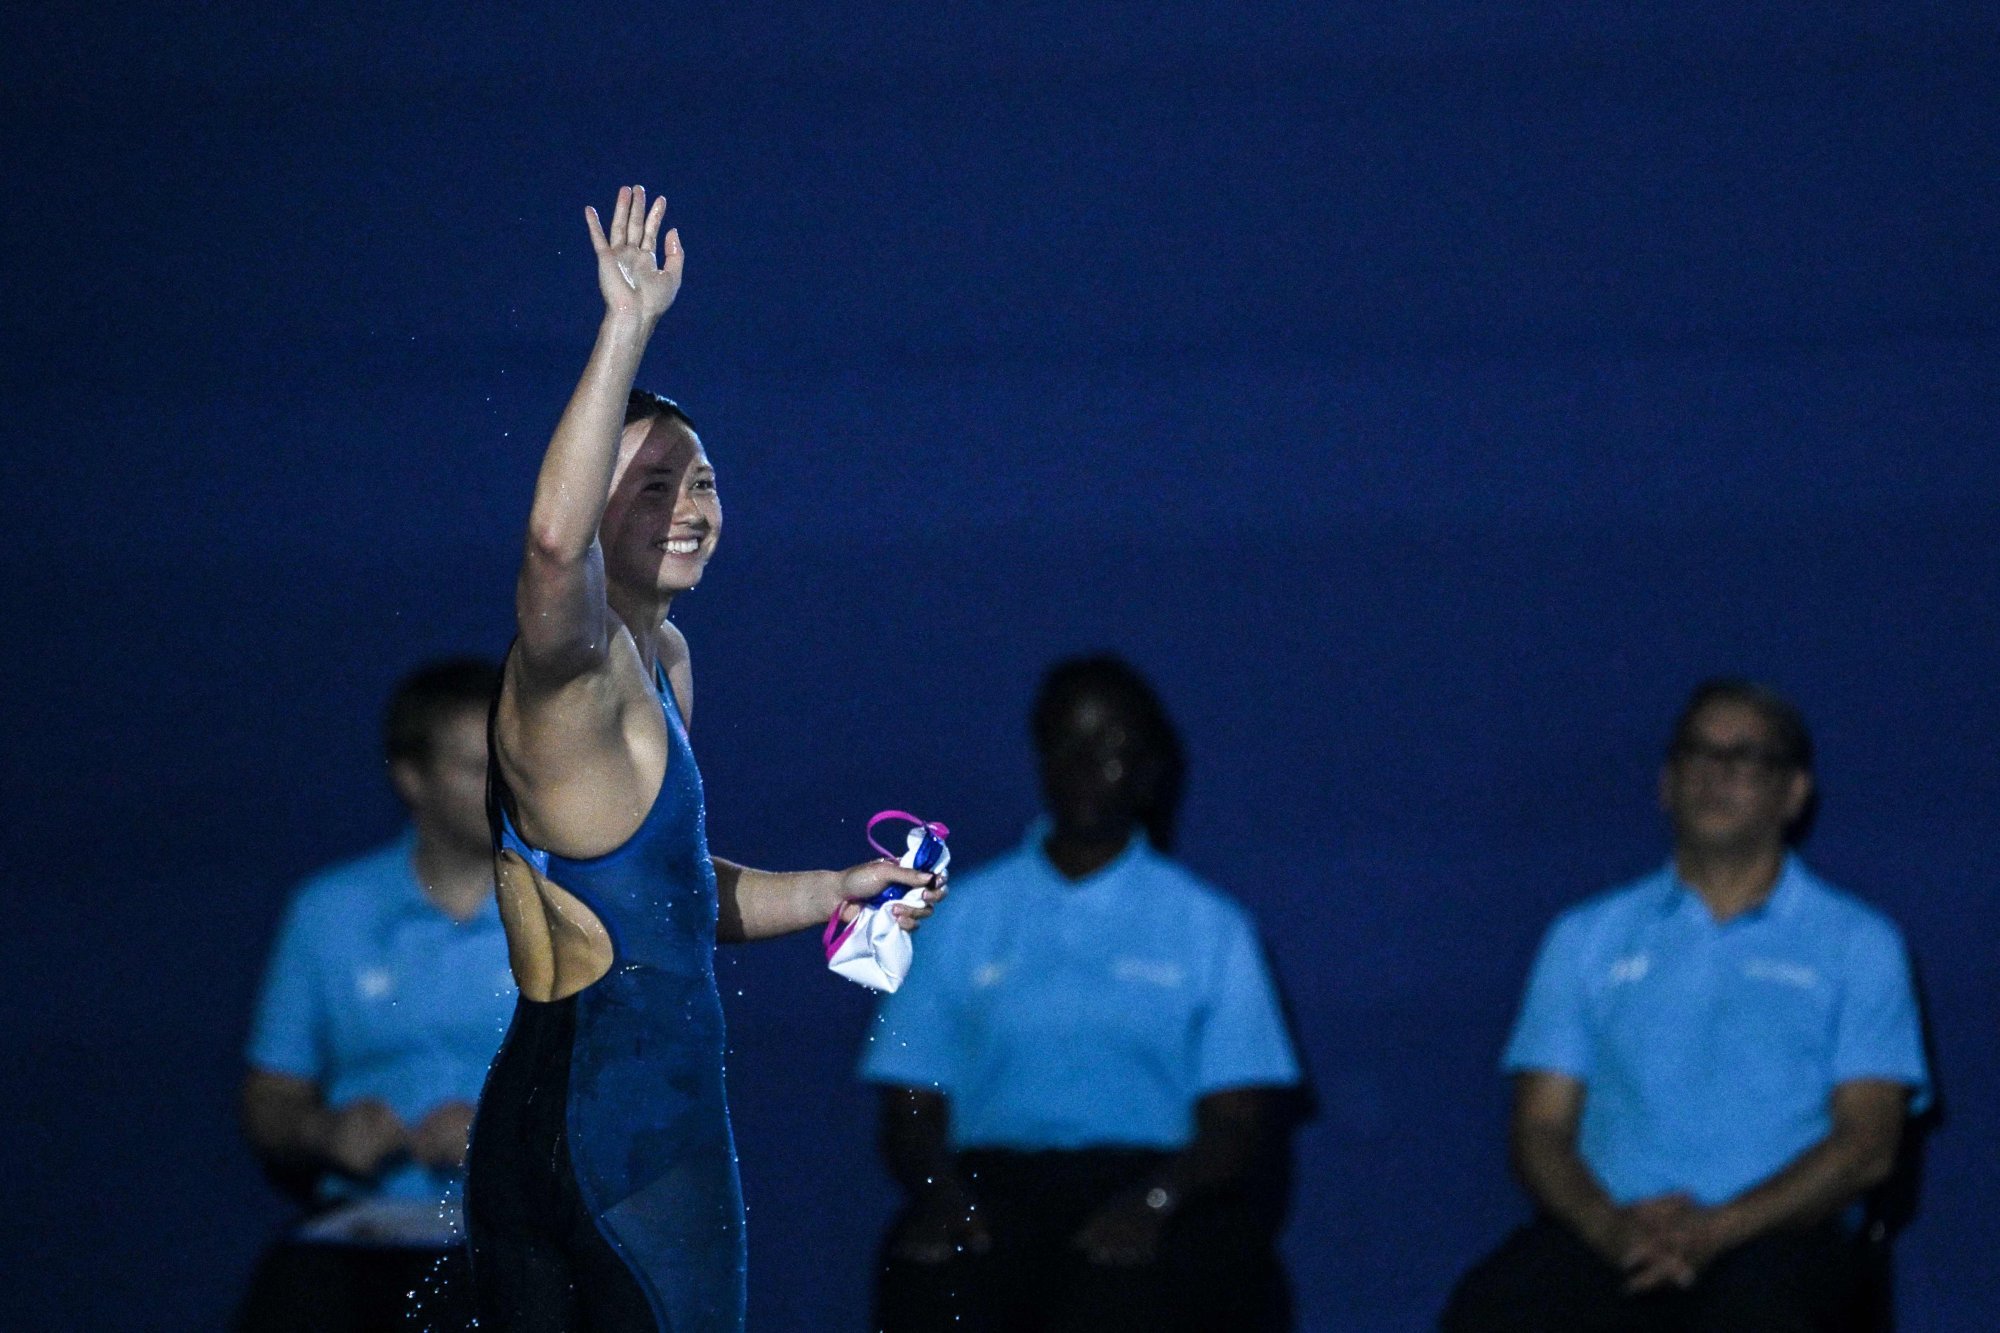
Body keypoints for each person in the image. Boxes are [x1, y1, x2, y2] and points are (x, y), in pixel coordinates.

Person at [463, 185, 945, 1333]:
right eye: (650, 487)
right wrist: (624, 327)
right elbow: (547, 541)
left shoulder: (661, 658)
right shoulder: (568, 667)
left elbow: (667, 899)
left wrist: (830, 893)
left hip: (578, 1120)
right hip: (623, 1143)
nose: (686, 508)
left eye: (702, 481)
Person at [1440, 679, 1932, 1333]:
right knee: (1488, 1309)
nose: (1717, 774)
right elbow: (1539, 1129)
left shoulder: (1860, 943)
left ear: (1794, 793)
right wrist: (1614, 1230)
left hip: (1776, 1240)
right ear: (1665, 783)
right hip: (1609, 1237)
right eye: (1698, 754)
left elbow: (1867, 1144)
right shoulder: (1585, 936)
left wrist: (1718, 1229)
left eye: (1747, 756)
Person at [861, 654, 1305, 1333]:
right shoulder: (960, 916)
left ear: (1151, 771)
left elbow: (1237, 1120)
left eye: (1113, 748)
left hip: (1160, 1184)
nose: (1086, 764)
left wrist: (1155, 1203)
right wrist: (942, 1196)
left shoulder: (1209, 925)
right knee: (930, 1283)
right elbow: (911, 1100)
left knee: (1129, 1296)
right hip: (994, 1188)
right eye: (1068, 742)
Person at [236, 658, 512, 1333]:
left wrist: (507, 1137)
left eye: (514, 760)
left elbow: (623, 1095)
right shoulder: (329, 910)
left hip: (514, 1231)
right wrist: (325, 1130)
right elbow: (271, 1094)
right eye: (478, 768)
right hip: (359, 1238)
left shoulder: (571, 911)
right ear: (410, 777)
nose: (503, 785)